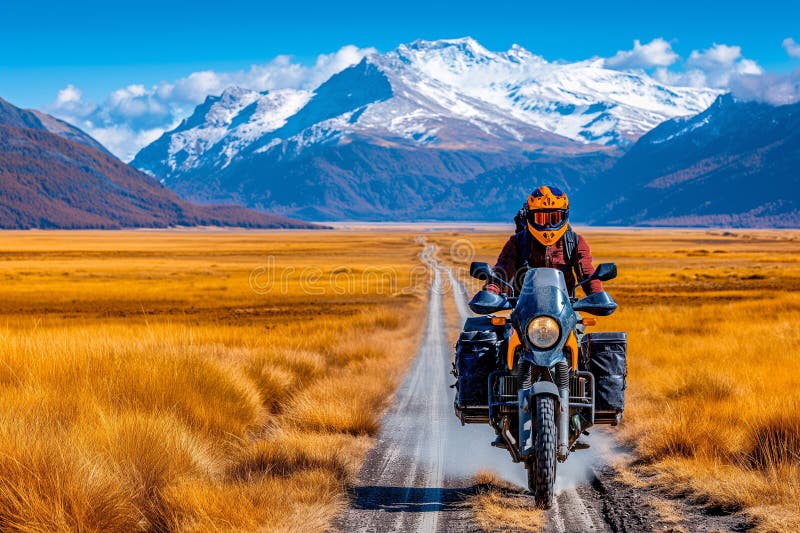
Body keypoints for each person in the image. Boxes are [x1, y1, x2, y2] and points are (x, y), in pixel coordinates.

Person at [485, 185, 602, 296]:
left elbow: (586, 271)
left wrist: (597, 294)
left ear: (564, 217)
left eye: (554, 218)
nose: (547, 225)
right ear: (530, 217)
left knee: (585, 318)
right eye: (540, 218)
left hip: (565, 308)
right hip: (523, 308)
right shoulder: (518, 241)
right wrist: (491, 289)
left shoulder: (574, 241)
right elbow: (503, 268)